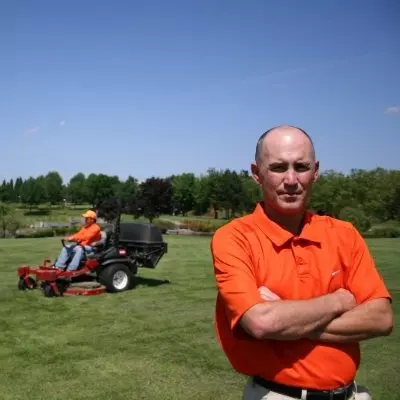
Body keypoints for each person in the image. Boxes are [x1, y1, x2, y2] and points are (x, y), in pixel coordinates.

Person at [210, 125, 393, 400]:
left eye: (302, 166)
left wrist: (287, 321)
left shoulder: (344, 234)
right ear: (257, 173)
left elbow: (381, 318)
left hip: (351, 394)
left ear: (316, 170)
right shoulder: (234, 238)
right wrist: (339, 302)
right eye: (278, 167)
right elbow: (261, 323)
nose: (292, 179)